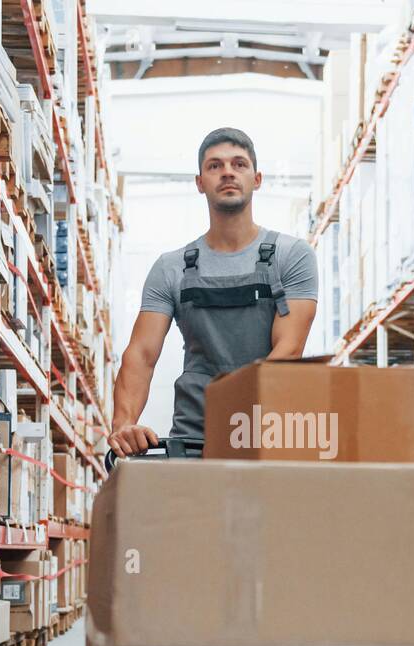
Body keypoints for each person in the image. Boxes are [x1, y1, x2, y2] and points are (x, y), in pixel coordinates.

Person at [107, 128, 319, 457]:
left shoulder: (291, 256)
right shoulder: (171, 268)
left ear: (257, 178)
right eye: (215, 166)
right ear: (200, 182)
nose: (228, 172)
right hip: (194, 437)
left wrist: (237, 421)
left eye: (239, 164)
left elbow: (288, 349)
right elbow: (141, 355)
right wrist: (123, 425)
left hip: (268, 430)